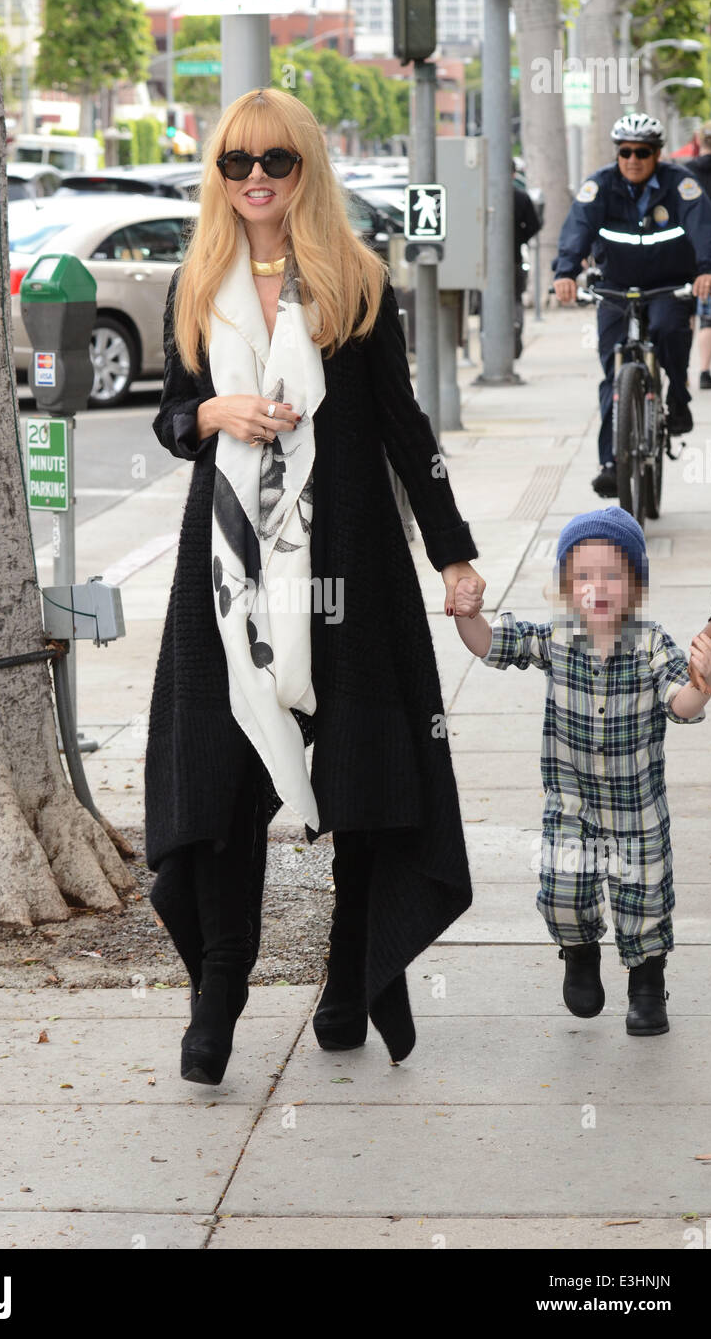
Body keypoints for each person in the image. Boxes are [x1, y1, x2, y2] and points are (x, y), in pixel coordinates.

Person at [145, 87, 485, 1085]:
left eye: (276, 161)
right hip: (227, 573)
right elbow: (172, 418)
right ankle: (219, 991)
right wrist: (214, 413)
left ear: (307, 168)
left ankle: (349, 977)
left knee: (364, 775)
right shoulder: (196, 282)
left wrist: (453, 554)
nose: (255, 178)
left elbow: (403, 428)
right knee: (219, 777)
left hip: (350, 564)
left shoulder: (356, 281)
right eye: (236, 162)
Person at [450, 506, 711, 1036]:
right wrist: (466, 613)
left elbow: (681, 703)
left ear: (636, 585)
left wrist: (702, 682)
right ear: (565, 587)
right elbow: (489, 644)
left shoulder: (652, 644)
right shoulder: (556, 637)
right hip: (571, 805)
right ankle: (579, 953)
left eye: (612, 575)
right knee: (562, 892)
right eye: (583, 576)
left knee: (645, 898)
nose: (597, 588)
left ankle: (647, 984)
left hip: (636, 810)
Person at [553, 113, 711, 499]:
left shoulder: (681, 184)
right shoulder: (600, 185)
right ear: (617, 154)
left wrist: (710, 270)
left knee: (667, 330)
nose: (632, 159)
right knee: (614, 371)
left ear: (657, 154)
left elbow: (704, 229)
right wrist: (565, 273)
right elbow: (577, 228)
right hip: (615, 286)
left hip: (668, 285)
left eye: (642, 152)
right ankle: (611, 464)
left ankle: (677, 397)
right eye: (625, 152)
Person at [685, 122, 711, 389]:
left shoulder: (684, 172)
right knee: (709, 315)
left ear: (698, 141)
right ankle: (705, 371)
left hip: (688, 250)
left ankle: (681, 369)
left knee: (686, 312)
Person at [513, 158, 542, 359]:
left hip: (488, 262)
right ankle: (515, 334)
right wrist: (519, 238)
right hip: (514, 258)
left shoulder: (484, 197)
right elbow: (534, 225)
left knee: (487, 302)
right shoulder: (521, 197)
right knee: (516, 299)